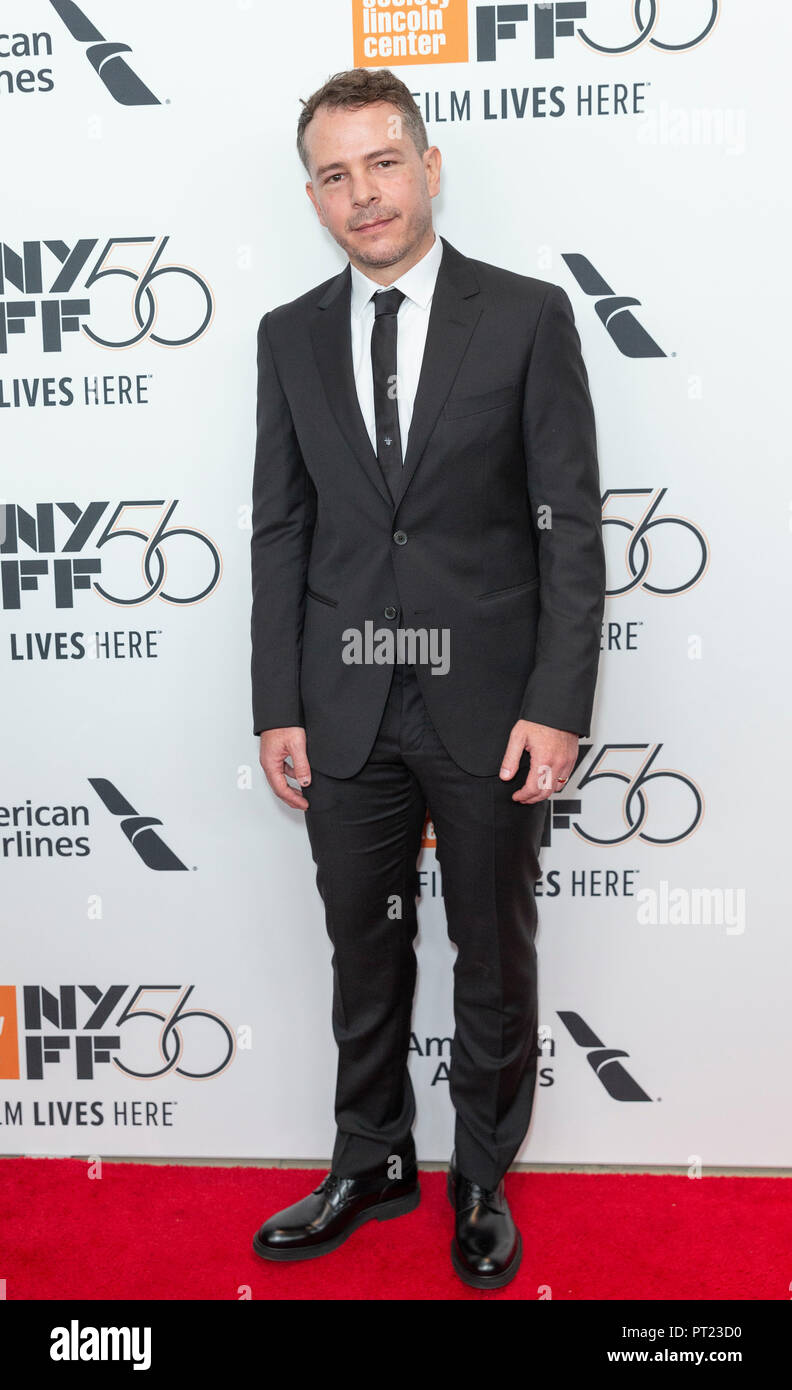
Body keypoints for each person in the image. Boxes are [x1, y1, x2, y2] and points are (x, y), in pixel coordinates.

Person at [249, 67, 606, 1291]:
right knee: (365, 944)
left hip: (491, 704)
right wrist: (277, 703)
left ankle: (481, 1178)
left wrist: (558, 700)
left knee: (491, 955)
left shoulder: (526, 318)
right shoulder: (287, 335)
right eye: (335, 175)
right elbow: (281, 530)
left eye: (382, 163)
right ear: (313, 194)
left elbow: (570, 524)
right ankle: (373, 1157)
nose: (364, 195)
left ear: (429, 165)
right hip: (346, 701)